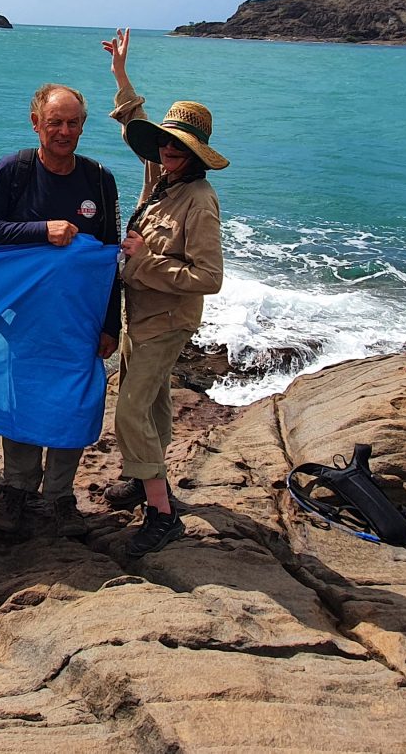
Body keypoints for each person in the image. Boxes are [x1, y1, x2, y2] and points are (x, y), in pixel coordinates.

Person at [0, 82, 122, 540]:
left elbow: (109, 257)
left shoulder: (98, 179)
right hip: (21, 318)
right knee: (24, 400)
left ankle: (59, 495)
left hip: (79, 319)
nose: (64, 131)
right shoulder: (14, 170)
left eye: (73, 122)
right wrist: (40, 231)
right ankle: (17, 490)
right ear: (36, 123)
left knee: (72, 401)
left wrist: (111, 322)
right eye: (55, 122)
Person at [102, 28, 227, 557]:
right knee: (150, 403)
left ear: (195, 154)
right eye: (166, 142)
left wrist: (144, 260)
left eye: (179, 146)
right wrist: (121, 74)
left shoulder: (199, 201)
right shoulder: (162, 178)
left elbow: (209, 277)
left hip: (168, 320)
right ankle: (144, 478)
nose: (169, 150)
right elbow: (134, 119)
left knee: (129, 409)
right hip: (140, 316)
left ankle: (161, 512)